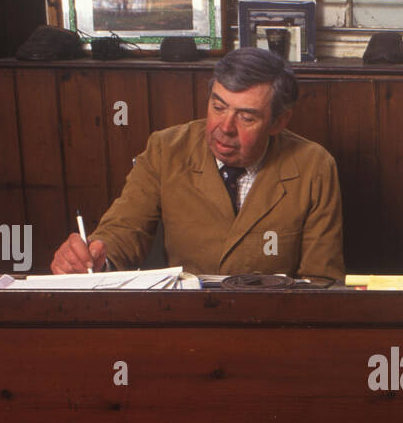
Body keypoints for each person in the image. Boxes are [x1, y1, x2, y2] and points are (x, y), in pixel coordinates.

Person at [51, 47, 344, 279]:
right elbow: (124, 230)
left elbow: (322, 279)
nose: (225, 127)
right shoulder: (165, 149)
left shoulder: (314, 166)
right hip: (184, 317)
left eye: (246, 117)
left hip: (272, 323)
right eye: (218, 107)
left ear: (279, 122)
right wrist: (96, 259)